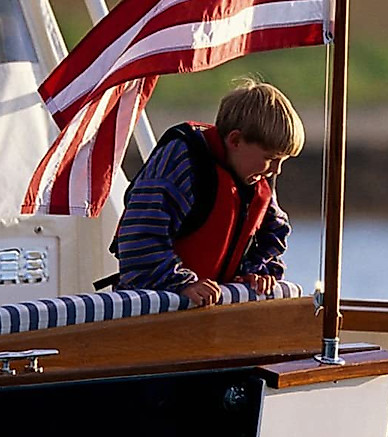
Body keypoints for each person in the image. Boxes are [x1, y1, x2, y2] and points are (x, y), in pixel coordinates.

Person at [112, 79, 303, 306]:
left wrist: (256, 271)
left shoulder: (257, 176)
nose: (275, 170)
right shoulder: (182, 160)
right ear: (235, 140)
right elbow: (139, 236)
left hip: (214, 314)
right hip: (155, 307)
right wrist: (181, 282)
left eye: (282, 161)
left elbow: (274, 232)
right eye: (270, 158)